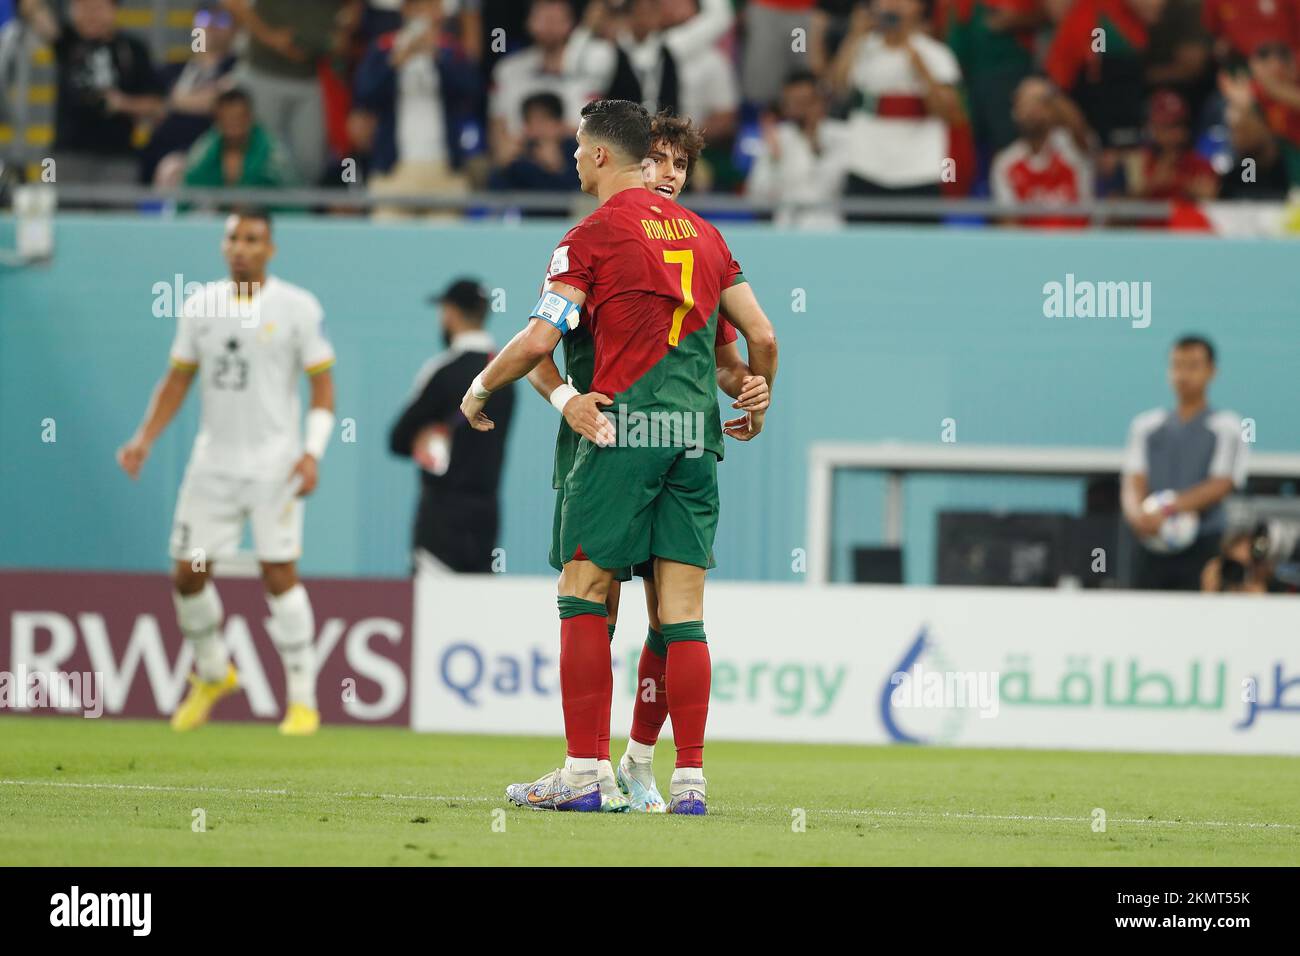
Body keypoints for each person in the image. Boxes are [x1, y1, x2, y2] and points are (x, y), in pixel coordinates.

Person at [460, 98, 778, 814]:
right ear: (645, 158)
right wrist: (758, 398)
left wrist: (480, 387)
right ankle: (685, 779)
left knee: (584, 589)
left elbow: (539, 344)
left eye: (578, 147)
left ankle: (585, 773)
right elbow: (760, 341)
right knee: (681, 614)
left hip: (618, 430)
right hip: (692, 438)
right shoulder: (705, 238)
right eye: (662, 159)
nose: (574, 157)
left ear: (601, 155)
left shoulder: (592, 234)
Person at [116, 209, 337, 736]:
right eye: (234, 238)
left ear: (270, 248)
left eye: (253, 239)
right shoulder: (199, 306)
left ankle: (303, 699)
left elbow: (323, 389)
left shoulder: (297, 307)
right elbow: (176, 382)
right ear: (224, 246)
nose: (241, 247)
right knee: (187, 573)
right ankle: (213, 671)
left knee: (277, 573)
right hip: (212, 465)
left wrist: (312, 451)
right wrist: (144, 439)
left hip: (274, 467)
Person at [389, 278, 515, 573]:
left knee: (433, 613)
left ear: (450, 313)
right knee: (474, 611)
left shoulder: (442, 372)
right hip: (486, 520)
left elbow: (397, 439)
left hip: (440, 521)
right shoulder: (509, 378)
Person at [1121, 335, 1248, 591]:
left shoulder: (1228, 426)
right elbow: (1133, 480)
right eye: (1177, 365)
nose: (1183, 375)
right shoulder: (1146, 426)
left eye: (1193, 366)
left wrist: (1168, 509)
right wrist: (1140, 517)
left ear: (1211, 371)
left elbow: (1221, 483)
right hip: (1150, 544)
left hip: (1202, 543)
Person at [829, 0, 964, 201]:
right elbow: (834, 90)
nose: (893, 5)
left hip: (919, 169)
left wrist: (921, 68)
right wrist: (854, 36)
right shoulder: (861, 48)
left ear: (919, 7)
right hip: (865, 164)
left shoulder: (936, 54)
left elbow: (950, 115)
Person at [18, 0, 163, 184]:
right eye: (83, 8)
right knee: (59, 211)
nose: (90, 15)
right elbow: (32, 9)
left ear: (113, 10)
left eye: (97, 8)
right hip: (67, 156)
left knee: (120, 212)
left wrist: (121, 103)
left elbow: (158, 106)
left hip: (118, 160)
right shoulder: (67, 41)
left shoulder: (133, 49)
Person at [221, 0, 345, 184]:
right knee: (263, 157)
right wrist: (268, 36)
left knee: (311, 161)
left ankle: (297, 210)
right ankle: (255, 211)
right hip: (265, 73)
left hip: (311, 76)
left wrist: (344, 29)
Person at [141, 3, 238, 187]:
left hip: (211, 150)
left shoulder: (237, 68)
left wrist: (175, 101)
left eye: (221, 20)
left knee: (173, 169)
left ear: (234, 30)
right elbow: (153, 107)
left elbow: (218, 102)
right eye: (204, 19)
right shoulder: (173, 69)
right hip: (164, 148)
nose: (211, 26)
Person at [747, 70, 851, 228]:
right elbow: (756, 197)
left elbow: (831, 186)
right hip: (787, 229)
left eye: (805, 102)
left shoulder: (841, 135)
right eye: (793, 103)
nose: (800, 109)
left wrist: (814, 141)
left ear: (820, 102)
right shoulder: (777, 137)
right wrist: (775, 160)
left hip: (830, 228)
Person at [990, 75, 1093, 227]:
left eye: (1039, 103)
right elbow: (1009, 224)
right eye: (1024, 104)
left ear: (1053, 109)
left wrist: (1052, 96)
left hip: (1078, 243)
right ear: (1015, 112)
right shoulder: (1006, 162)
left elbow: (1079, 128)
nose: (1031, 111)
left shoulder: (1072, 147)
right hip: (1031, 247)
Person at [183, 87, 298, 191]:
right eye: (227, 120)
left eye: (239, 119)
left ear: (250, 118)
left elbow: (292, 198)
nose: (234, 127)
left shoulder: (273, 153)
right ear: (217, 121)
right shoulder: (204, 152)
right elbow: (187, 194)